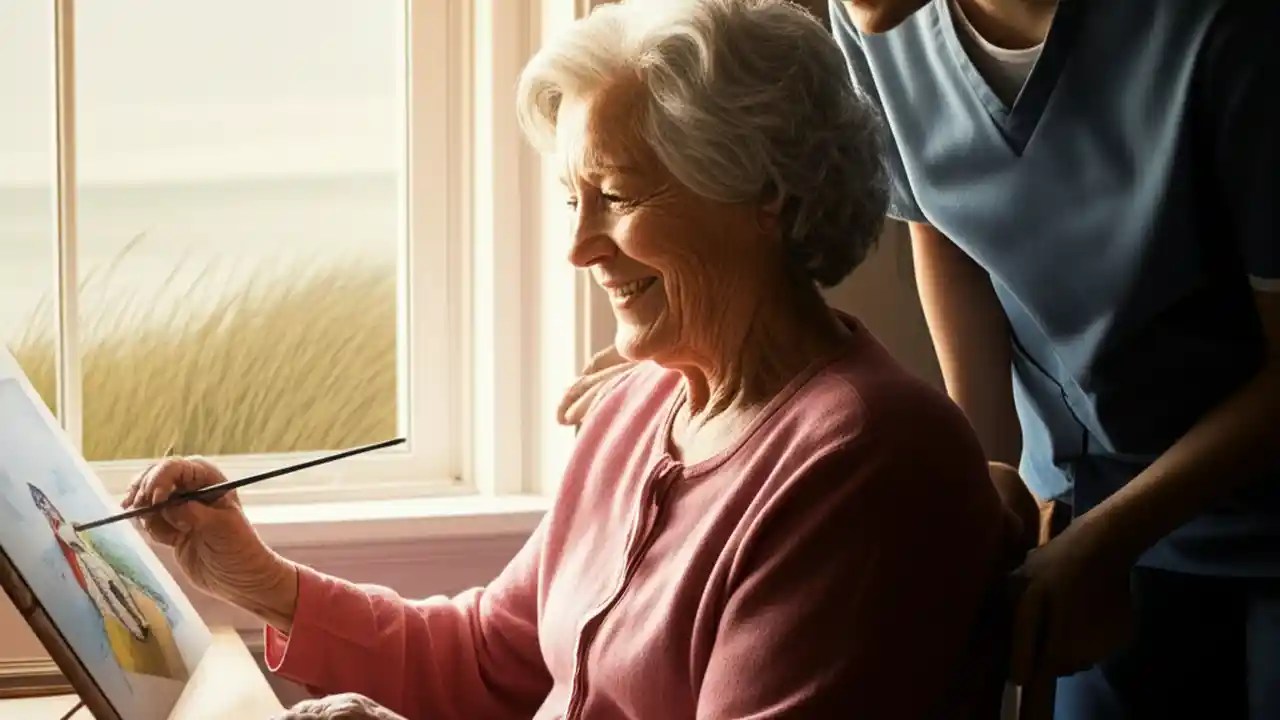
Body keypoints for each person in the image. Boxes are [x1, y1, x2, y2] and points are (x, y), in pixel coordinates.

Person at [126, 1, 1037, 718]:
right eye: (573, 198)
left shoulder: (868, 460)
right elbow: (492, 658)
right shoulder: (642, 406)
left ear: (764, 192)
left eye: (616, 195)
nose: (580, 247)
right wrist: (259, 581)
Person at [564, 0, 1280, 717]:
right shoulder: (879, 23)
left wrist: (1118, 528)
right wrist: (978, 472)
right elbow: (943, 229)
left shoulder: (1222, 29)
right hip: (1080, 509)